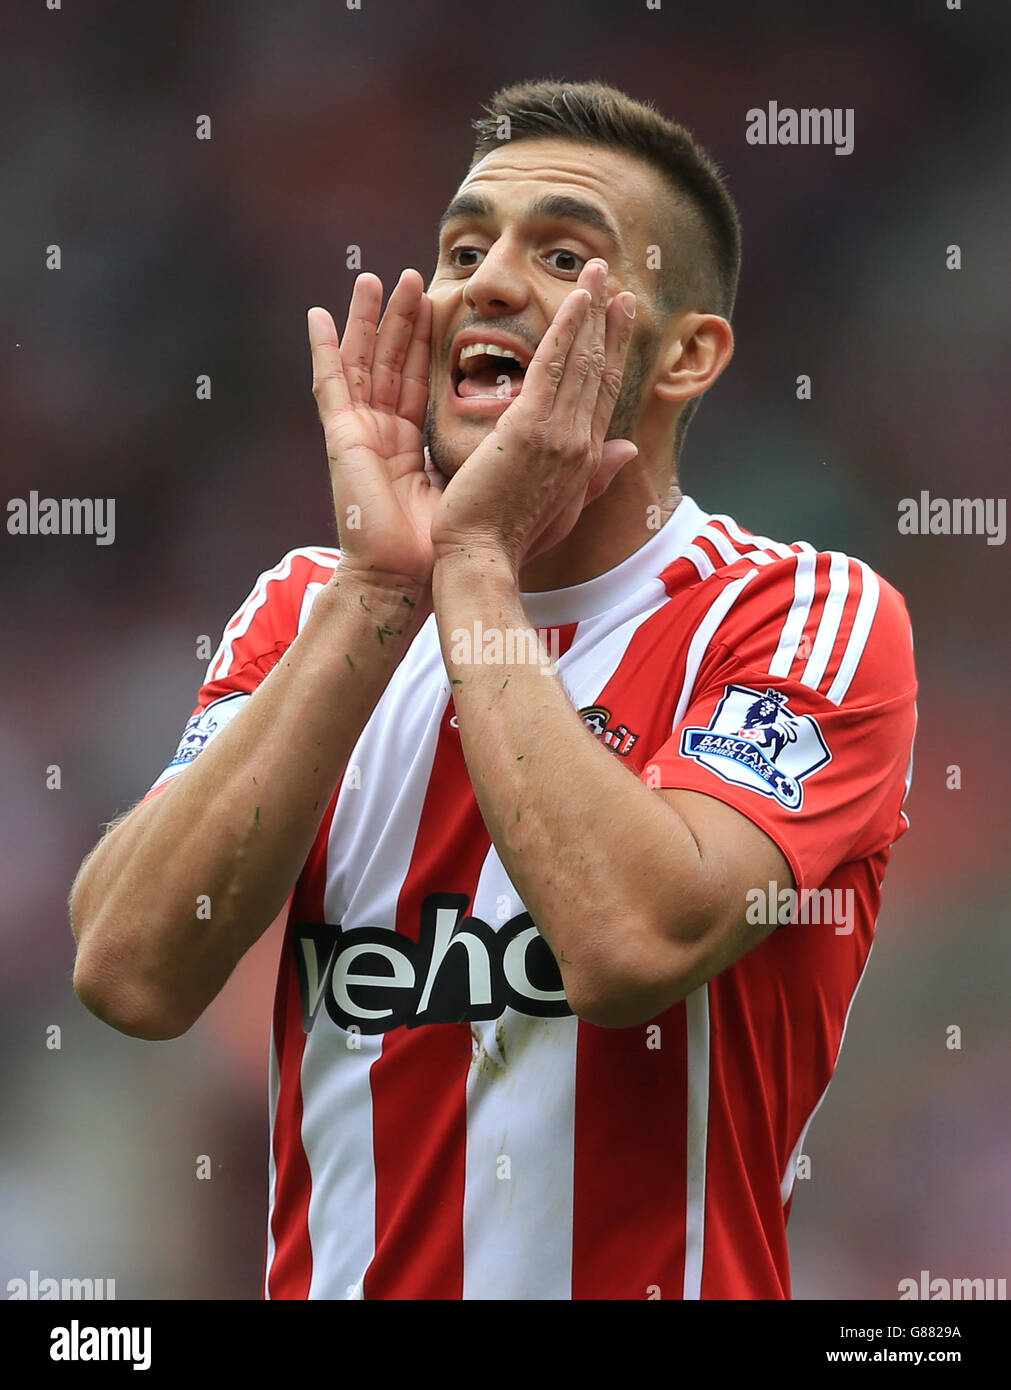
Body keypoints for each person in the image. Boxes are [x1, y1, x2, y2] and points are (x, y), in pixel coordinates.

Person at [69, 79, 918, 1300]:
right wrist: (379, 592)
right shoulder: (313, 608)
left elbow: (628, 943)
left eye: (564, 255)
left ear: (687, 355)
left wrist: (474, 565)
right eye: (465, 250)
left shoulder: (799, 616)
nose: (489, 282)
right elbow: (128, 972)